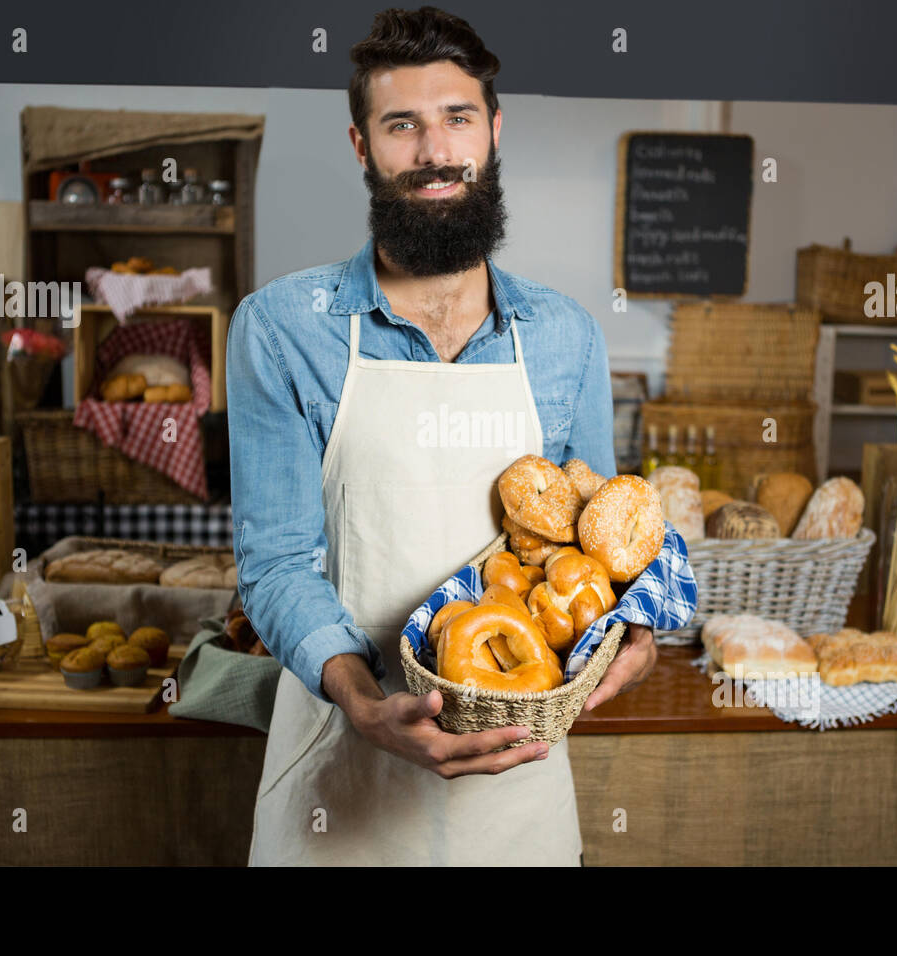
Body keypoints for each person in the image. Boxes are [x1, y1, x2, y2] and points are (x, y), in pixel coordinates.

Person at [228, 5, 657, 867]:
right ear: (362, 146)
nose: (434, 152)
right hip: (342, 769)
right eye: (402, 126)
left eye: (457, 118)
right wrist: (361, 700)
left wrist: (637, 630)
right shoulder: (281, 328)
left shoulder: (564, 336)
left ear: (493, 131)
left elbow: (600, 554)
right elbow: (275, 563)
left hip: (520, 788)